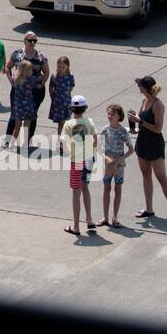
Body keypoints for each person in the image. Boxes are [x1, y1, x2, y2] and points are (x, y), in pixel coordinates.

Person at [129, 78, 167, 222]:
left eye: (140, 85)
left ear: (146, 87)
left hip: (154, 143)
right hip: (142, 141)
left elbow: (158, 129)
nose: (138, 86)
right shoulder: (144, 101)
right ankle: (149, 209)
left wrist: (139, 121)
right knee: (146, 175)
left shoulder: (158, 105)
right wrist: (135, 127)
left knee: (161, 177)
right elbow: (141, 122)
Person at [61, 95, 98, 236]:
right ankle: (89, 219)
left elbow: (63, 144)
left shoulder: (68, 124)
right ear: (85, 108)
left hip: (76, 161)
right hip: (88, 159)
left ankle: (76, 226)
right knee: (85, 188)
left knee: (76, 192)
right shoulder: (89, 121)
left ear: (71, 108)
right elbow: (95, 141)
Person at [4, 32, 50, 143]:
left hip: (36, 92)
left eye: (35, 41)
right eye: (30, 40)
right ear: (24, 40)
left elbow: (46, 72)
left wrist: (42, 83)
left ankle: (28, 141)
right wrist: (12, 81)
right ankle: (8, 140)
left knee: (32, 117)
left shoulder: (40, 56)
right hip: (18, 91)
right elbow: (7, 67)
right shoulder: (17, 54)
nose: (32, 43)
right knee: (14, 116)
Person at [98, 104, 133, 229]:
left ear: (119, 116)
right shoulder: (105, 130)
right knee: (106, 188)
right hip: (107, 165)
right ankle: (105, 217)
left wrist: (119, 160)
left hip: (119, 166)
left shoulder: (122, 131)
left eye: (112, 114)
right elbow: (98, 146)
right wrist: (106, 158)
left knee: (117, 189)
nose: (110, 116)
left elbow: (130, 149)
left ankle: (115, 217)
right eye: (108, 114)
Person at [8, 60, 36, 148]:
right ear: (26, 71)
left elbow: (12, 77)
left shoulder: (16, 79)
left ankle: (11, 143)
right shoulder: (30, 80)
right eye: (31, 70)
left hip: (18, 106)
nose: (32, 72)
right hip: (28, 105)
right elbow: (39, 79)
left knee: (17, 127)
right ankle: (25, 144)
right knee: (27, 126)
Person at [48, 56, 75, 135]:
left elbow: (71, 86)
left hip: (66, 102)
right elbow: (50, 87)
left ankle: (64, 139)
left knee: (66, 123)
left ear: (67, 66)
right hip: (57, 103)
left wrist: (66, 94)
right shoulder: (54, 76)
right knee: (60, 123)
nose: (61, 68)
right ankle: (60, 141)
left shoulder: (70, 76)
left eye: (63, 66)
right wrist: (53, 97)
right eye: (59, 66)